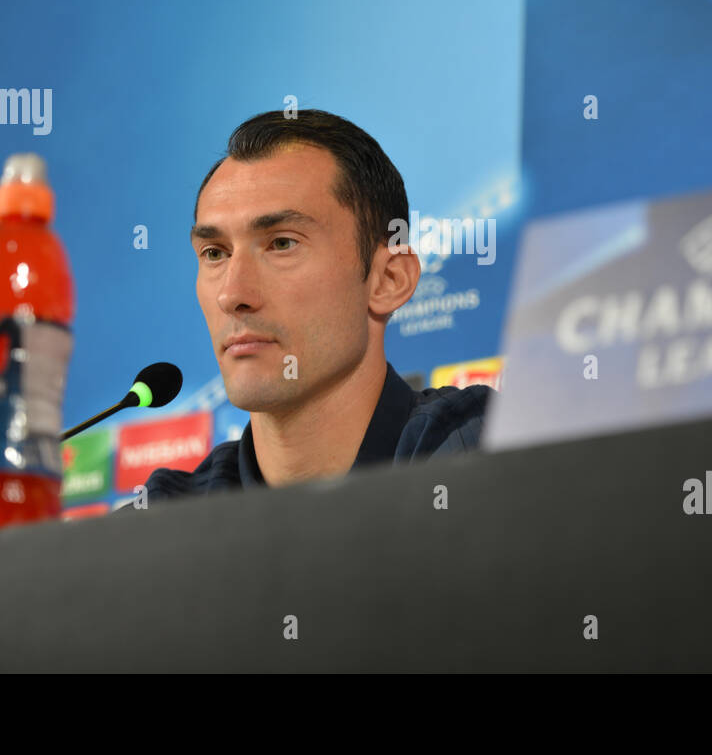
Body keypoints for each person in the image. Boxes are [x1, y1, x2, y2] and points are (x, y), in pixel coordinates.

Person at [139, 109, 492, 503]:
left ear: (389, 280)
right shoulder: (163, 518)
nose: (231, 295)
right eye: (214, 253)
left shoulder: (486, 447)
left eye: (282, 243)